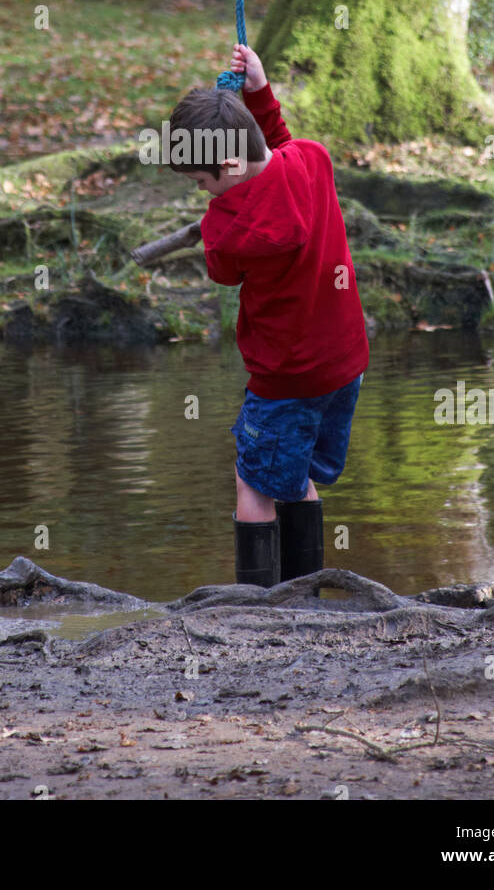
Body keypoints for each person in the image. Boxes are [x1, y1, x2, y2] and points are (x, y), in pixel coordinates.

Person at [168, 42, 369, 588]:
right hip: (344, 364)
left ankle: (256, 609)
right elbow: (281, 148)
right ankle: (307, 599)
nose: (204, 194)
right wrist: (258, 91)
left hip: (287, 379)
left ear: (229, 163)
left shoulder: (229, 230)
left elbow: (222, 272)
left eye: (203, 182)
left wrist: (216, 215)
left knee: (253, 481)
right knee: (296, 473)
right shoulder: (315, 160)